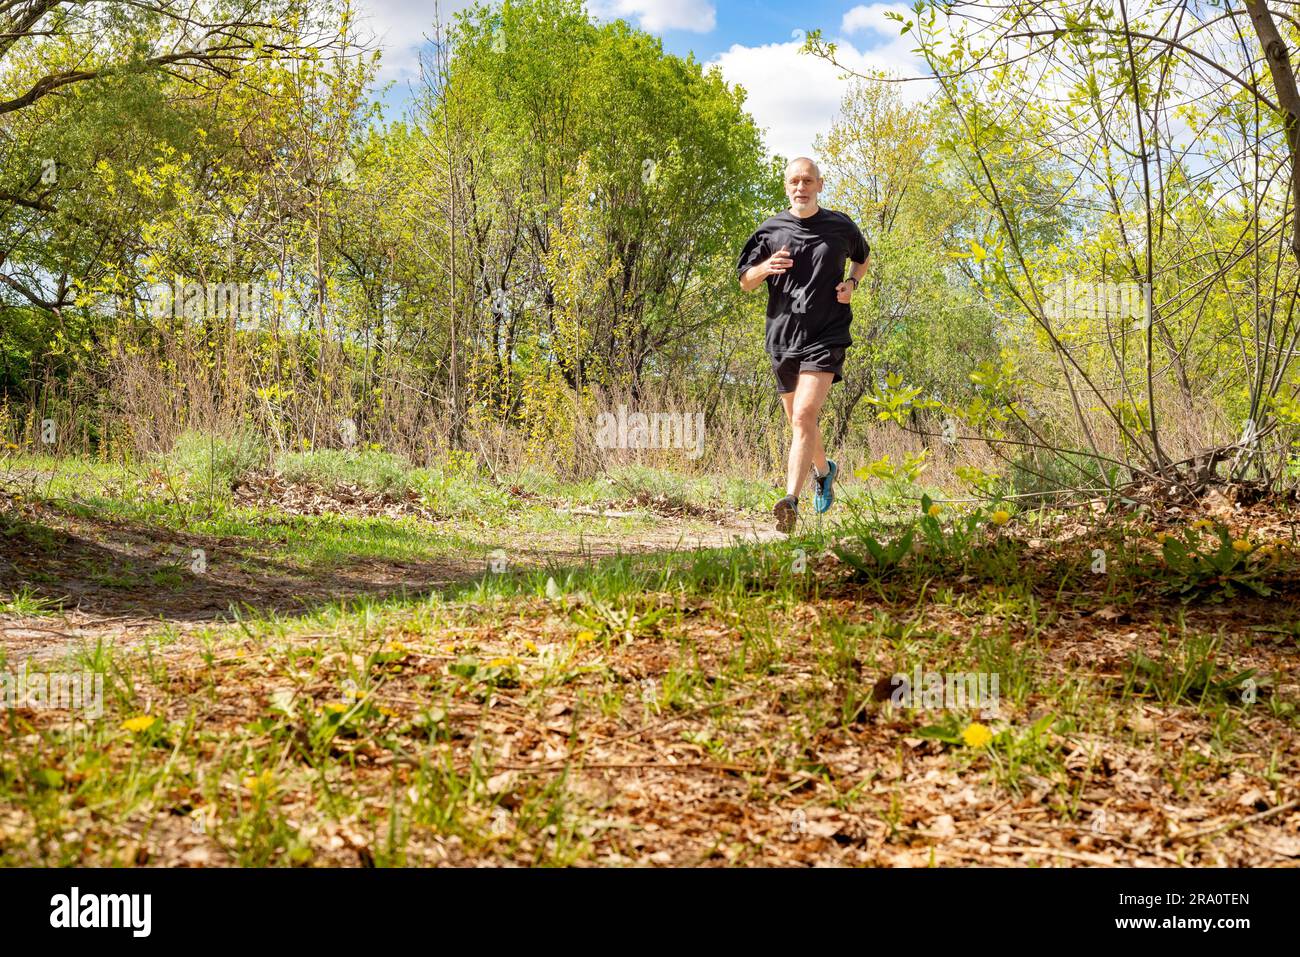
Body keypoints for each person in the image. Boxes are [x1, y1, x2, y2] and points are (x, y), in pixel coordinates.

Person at [737, 157, 870, 533]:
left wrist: (852, 284)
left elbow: (862, 258)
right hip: (782, 338)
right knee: (800, 423)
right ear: (786, 187)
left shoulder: (840, 226)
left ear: (820, 185)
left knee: (802, 417)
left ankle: (790, 501)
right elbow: (745, 280)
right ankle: (825, 472)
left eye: (808, 180)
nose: (801, 187)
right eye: (795, 181)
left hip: (826, 334)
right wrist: (765, 268)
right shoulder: (770, 231)